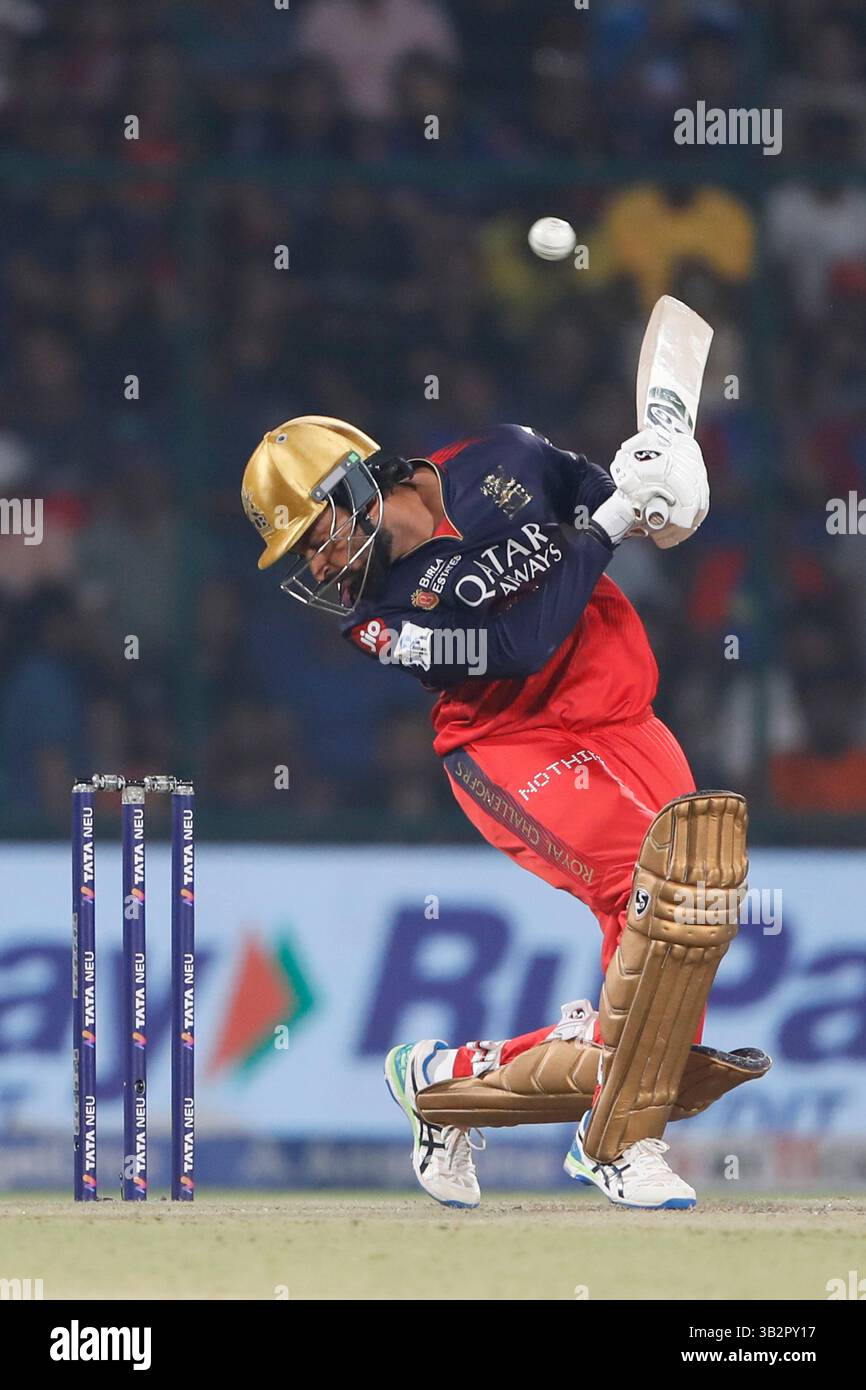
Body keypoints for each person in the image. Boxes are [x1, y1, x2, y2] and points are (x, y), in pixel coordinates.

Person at [241, 414, 766, 1209]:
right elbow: (519, 642)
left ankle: (442, 1084)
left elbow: (611, 498)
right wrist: (617, 519)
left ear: (354, 486)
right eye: (305, 556)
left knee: (700, 902)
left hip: (620, 709)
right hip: (509, 743)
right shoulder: (379, 621)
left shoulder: (503, 457)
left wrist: (667, 495)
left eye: (316, 535)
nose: (320, 565)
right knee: (652, 892)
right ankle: (618, 1143)